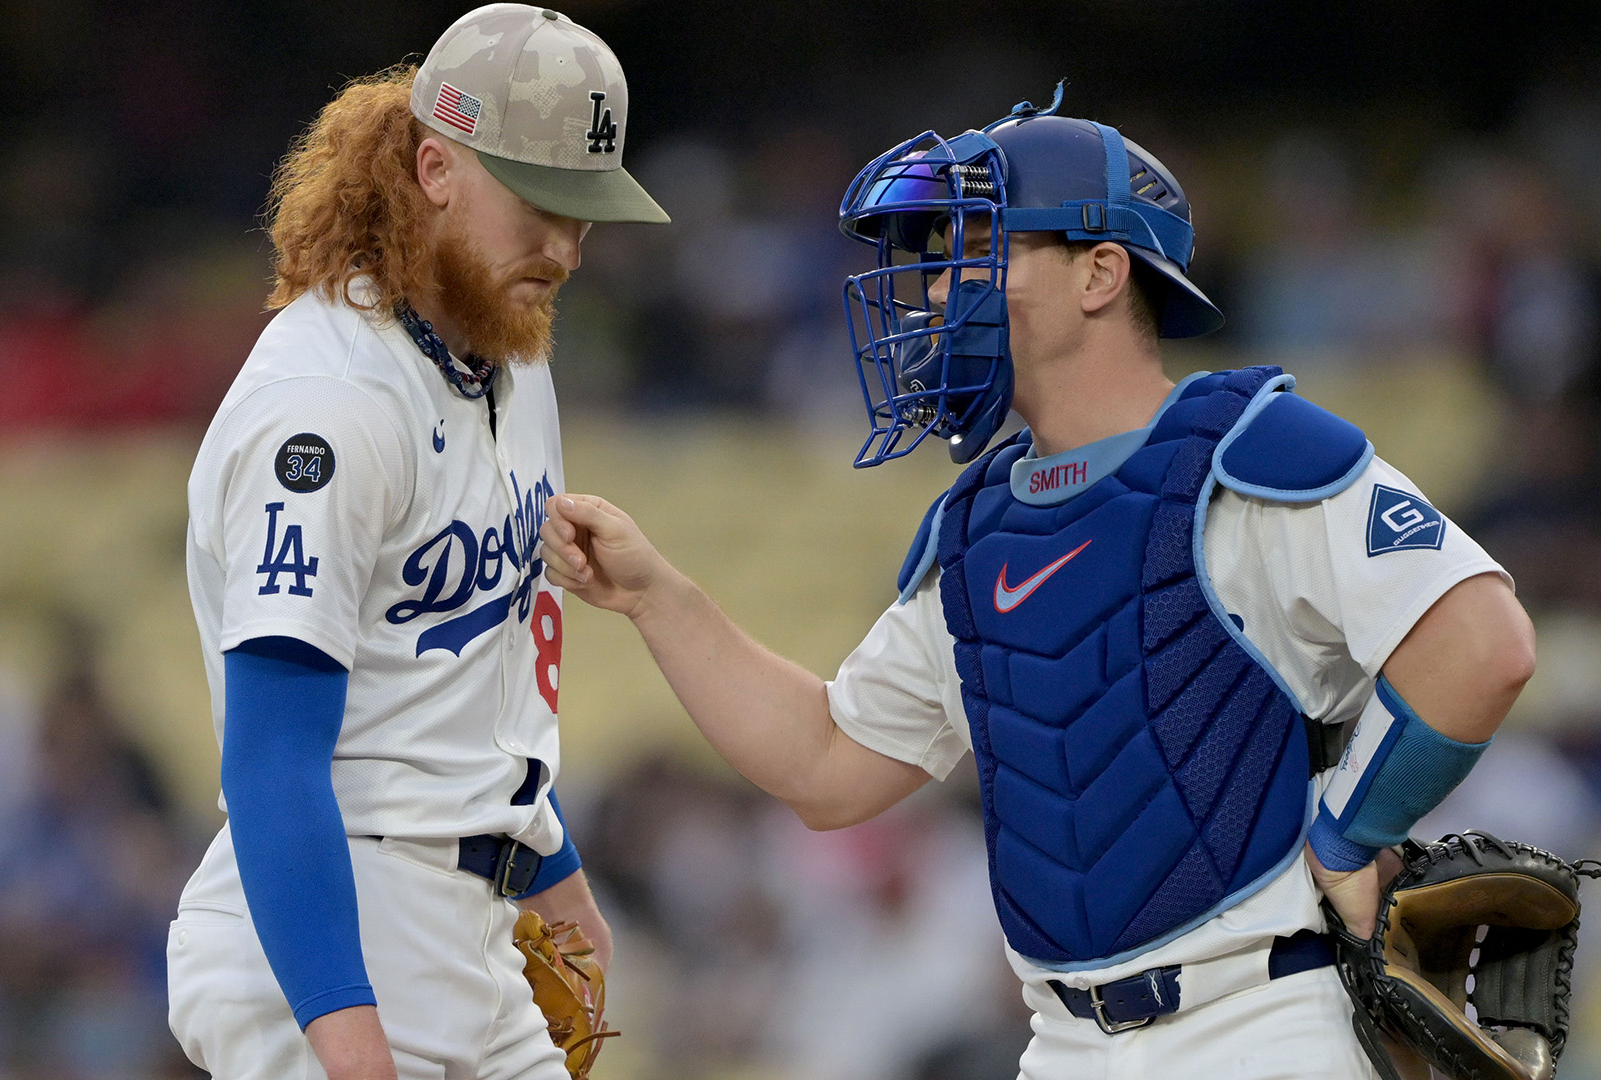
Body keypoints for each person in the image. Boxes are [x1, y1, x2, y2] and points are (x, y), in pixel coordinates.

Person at [538, 89, 1535, 1078]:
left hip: (1260, 1023)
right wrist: (653, 597)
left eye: (979, 250)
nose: (937, 290)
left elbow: (1482, 642)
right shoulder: (977, 526)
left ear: (1102, 271)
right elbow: (827, 765)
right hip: (1060, 1043)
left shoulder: (1247, 452)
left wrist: (1351, 836)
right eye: (935, 259)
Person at [164, 7, 668, 1080]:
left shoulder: (512, 359)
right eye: (542, 205)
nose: (569, 249)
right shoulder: (328, 405)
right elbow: (272, 761)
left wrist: (559, 880)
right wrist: (349, 1045)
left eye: (588, 214)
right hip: (329, 931)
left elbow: (458, 681)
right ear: (436, 169)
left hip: (474, 931)